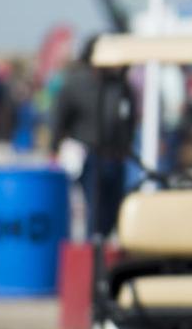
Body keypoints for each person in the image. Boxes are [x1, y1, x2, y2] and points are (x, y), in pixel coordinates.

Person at [50, 37, 136, 238]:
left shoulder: (120, 85)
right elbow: (59, 119)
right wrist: (54, 149)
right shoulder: (75, 83)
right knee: (94, 208)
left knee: (114, 207)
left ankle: (104, 242)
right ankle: (93, 248)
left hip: (116, 155)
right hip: (87, 155)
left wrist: (126, 145)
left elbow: (129, 118)